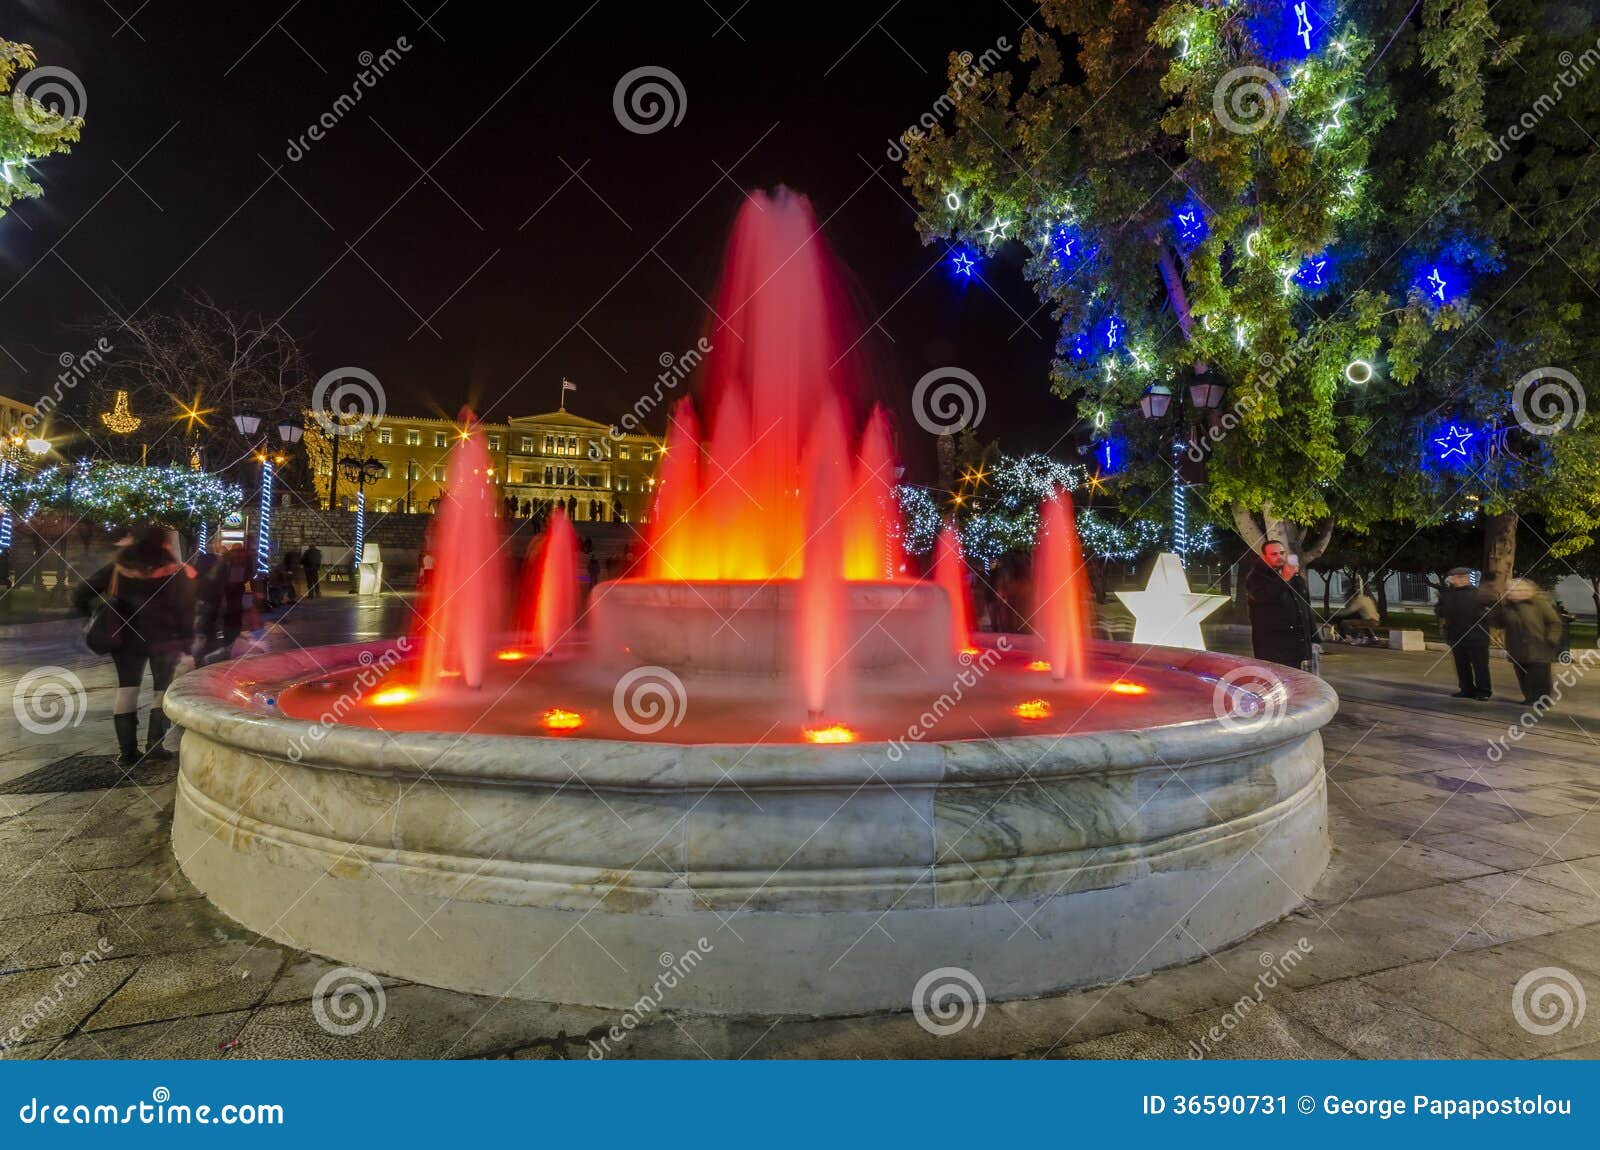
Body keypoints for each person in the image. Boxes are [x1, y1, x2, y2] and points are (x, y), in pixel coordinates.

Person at [73, 524, 196, 765]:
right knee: (161, 690)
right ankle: (155, 746)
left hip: (125, 638)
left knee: (127, 689)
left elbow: (81, 593)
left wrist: (90, 616)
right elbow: (185, 611)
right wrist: (187, 644)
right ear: (163, 542)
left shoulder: (120, 566)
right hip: (163, 638)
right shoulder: (173, 570)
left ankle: (127, 752)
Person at [1246, 540, 1313, 670]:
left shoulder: (1295, 577)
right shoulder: (1255, 577)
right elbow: (1263, 597)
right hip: (1273, 648)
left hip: (1298, 648)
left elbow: (1305, 608)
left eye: (1282, 553)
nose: (1279, 557)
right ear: (1264, 557)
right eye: (1274, 554)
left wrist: (1314, 639)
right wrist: (1284, 578)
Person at [1496, 578, 1564, 705]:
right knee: (1523, 676)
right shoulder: (1507, 607)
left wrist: (1551, 639)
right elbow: (1499, 623)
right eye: (1511, 590)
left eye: (1518, 590)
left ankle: (1542, 701)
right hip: (1517, 648)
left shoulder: (1539, 603)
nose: (1513, 593)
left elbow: (1554, 622)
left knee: (1540, 677)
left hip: (1539, 647)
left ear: (1528, 591)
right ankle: (1529, 698)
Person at [1435, 568, 1493, 699]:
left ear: (1466, 578)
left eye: (1459, 577)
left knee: (1480, 666)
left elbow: (1490, 613)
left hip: (1477, 637)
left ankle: (1483, 691)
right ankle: (1466, 689)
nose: (1455, 580)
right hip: (1456, 636)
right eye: (1453, 577)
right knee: (1461, 665)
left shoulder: (1479, 593)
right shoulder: (1447, 594)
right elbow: (1440, 612)